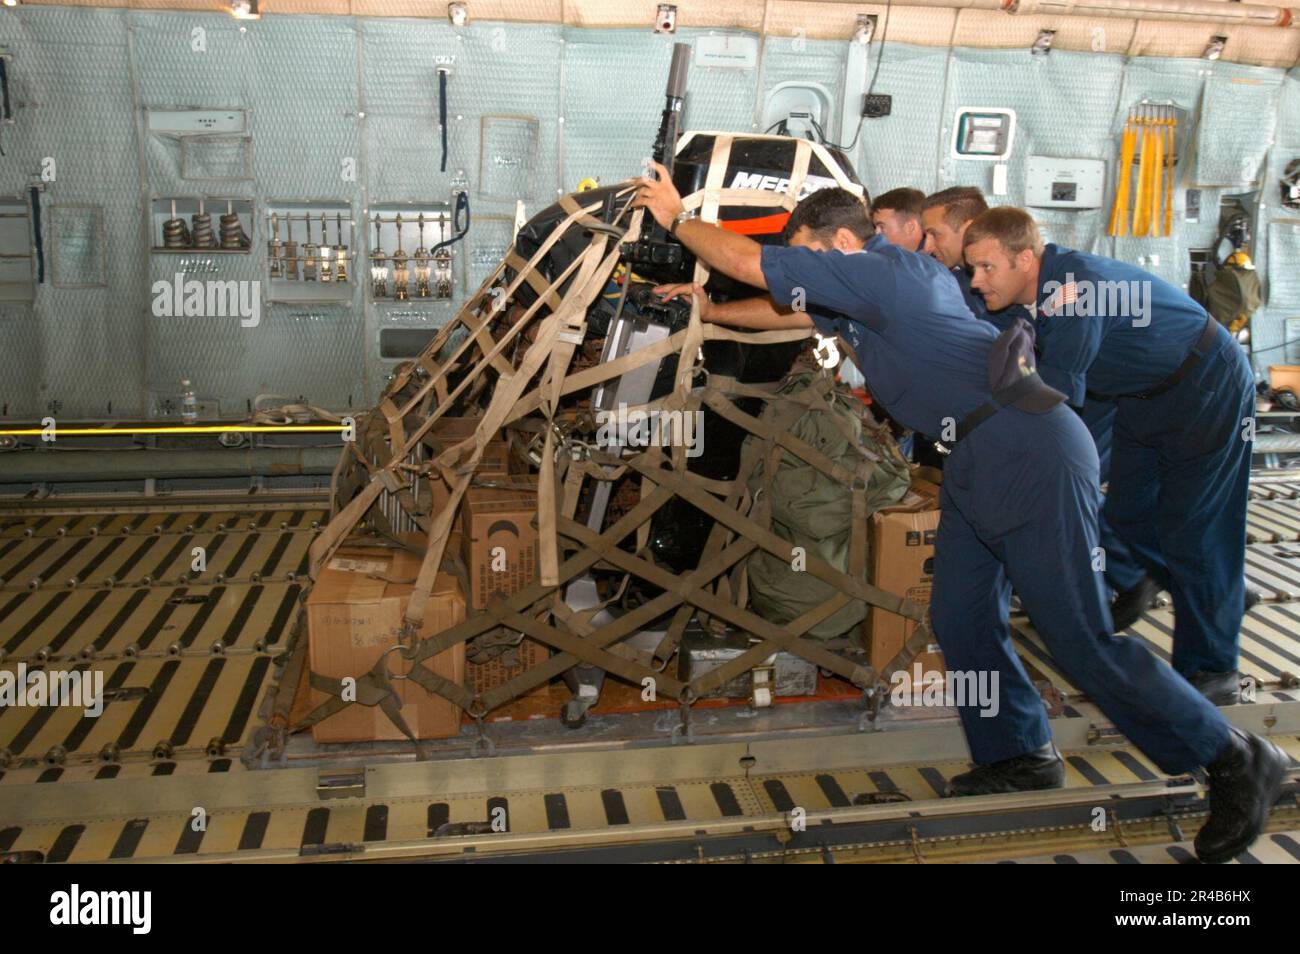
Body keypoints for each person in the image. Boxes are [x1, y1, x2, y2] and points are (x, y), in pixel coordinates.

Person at [633, 165, 1286, 864]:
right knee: (962, 614)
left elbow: (748, 261)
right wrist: (706, 307)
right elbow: (785, 306)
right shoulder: (867, 287)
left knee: (1081, 639)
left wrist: (677, 218)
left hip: (1026, 447)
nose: (803, 273)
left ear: (844, 243)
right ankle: (1018, 753)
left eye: (809, 256)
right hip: (975, 457)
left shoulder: (886, 275)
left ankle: (1233, 757)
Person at [963, 207, 1255, 706]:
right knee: (1127, 513)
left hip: (1206, 383)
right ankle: (1215, 594)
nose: (975, 281)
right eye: (972, 268)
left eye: (986, 268)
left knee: (1196, 528)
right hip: (1142, 396)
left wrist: (980, 441)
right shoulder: (1026, 295)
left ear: (1025, 258)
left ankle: (1213, 666)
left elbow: (1053, 396)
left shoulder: (1077, 292)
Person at [928, 189, 1155, 628]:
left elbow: (1058, 376)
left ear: (968, 229)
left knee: (1062, 486)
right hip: (1064, 394)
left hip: (1093, 398)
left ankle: (1120, 579)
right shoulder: (970, 279)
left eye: (937, 233)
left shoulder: (1061, 283)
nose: (931, 244)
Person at [870, 188, 925, 252]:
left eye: (882, 227)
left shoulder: (935, 258)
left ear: (910, 227)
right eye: (875, 227)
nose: (876, 234)